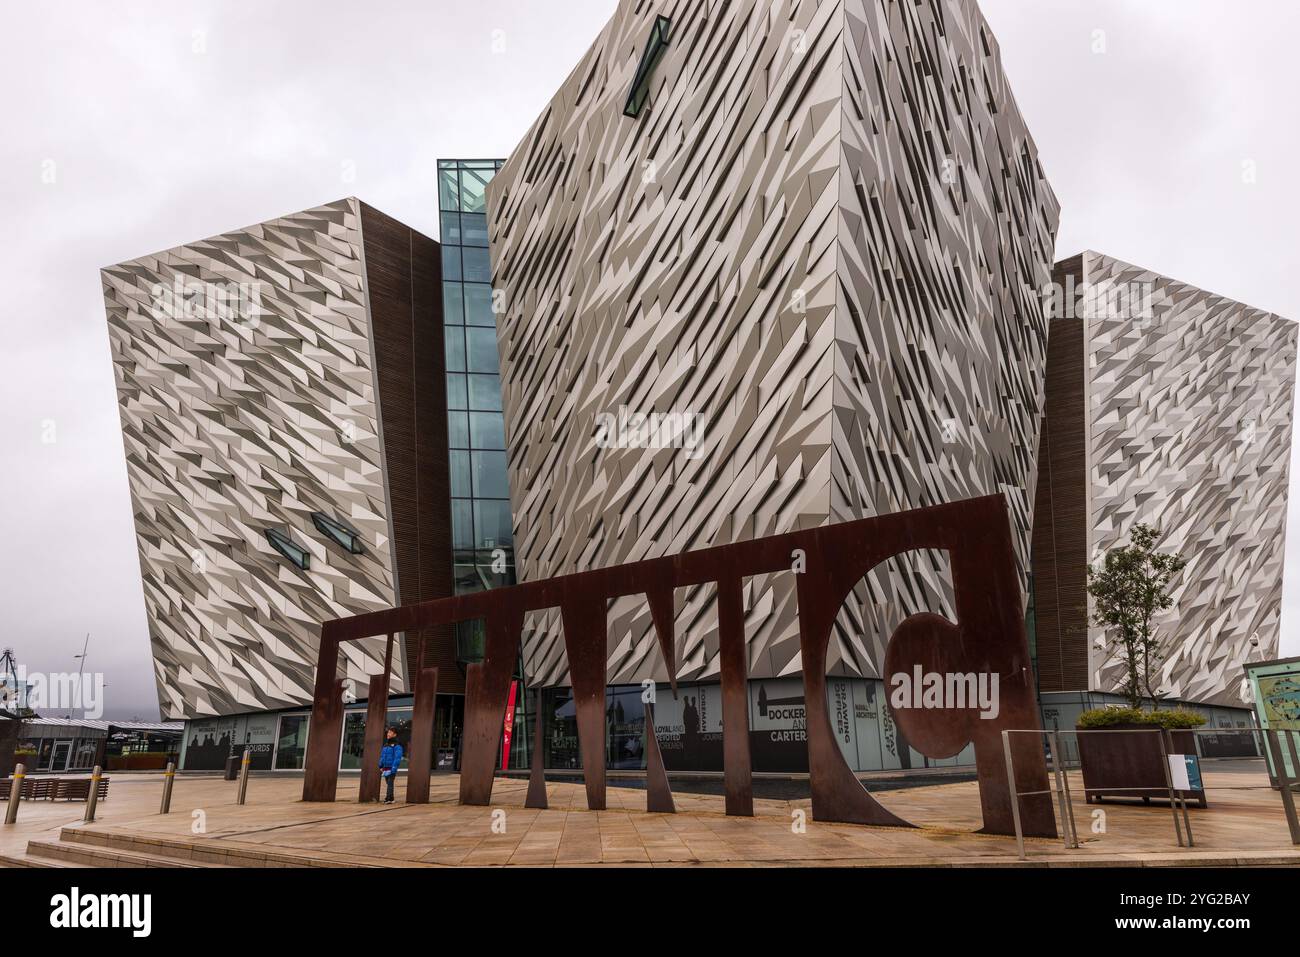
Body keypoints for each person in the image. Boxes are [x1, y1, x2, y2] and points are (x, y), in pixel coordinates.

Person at [379, 727, 403, 804]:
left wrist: (394, 767)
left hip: (391, 767)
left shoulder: (397, 746)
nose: (388, 734)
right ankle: (391, 798)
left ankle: (388, 798)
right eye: (388, 732)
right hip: (385, 768)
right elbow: (382, 756)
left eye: (390, 732)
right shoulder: (386, 745)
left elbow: (397, 758)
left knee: (390, 783)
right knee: (389, 783)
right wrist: (381, 765)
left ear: (394, 734)